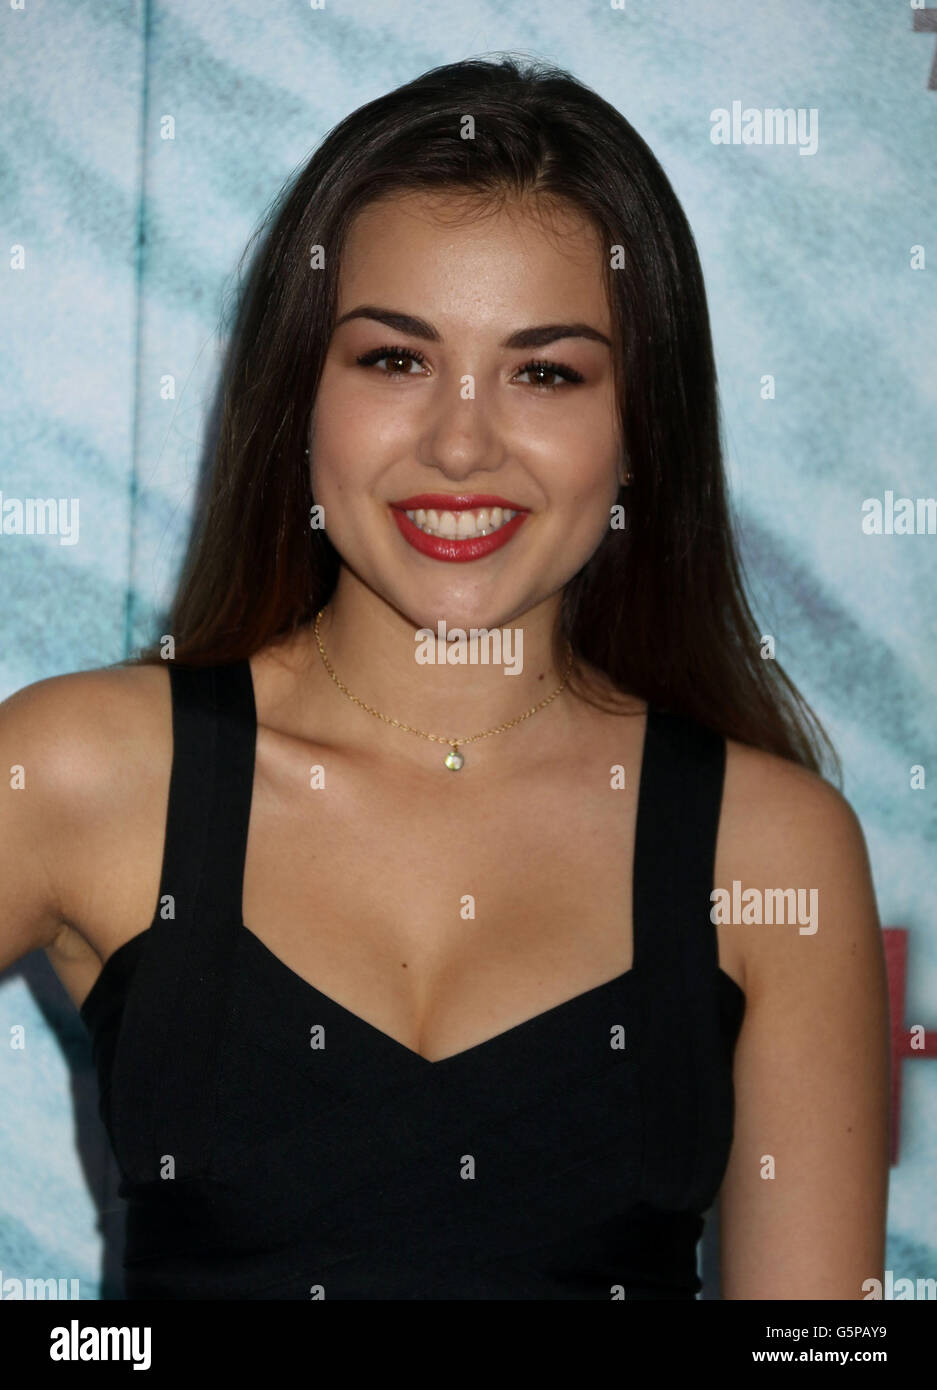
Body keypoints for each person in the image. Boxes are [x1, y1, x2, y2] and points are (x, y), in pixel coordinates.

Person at [0, 55, 889, 1300]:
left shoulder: (772, 852)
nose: (461, 442)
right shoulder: (82, 773)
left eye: (545, 371)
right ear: (297, 398)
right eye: (394, 360)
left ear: (641, 429)